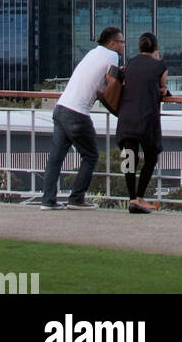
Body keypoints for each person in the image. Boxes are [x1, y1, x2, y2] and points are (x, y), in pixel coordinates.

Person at [40, 26, 126, 209]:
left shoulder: (93, 53)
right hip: (77, 113)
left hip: (61, 108)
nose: (123, 45)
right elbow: (110, 87)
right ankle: (76, 199)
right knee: (91, 155)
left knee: (55, 159)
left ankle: (48, 201)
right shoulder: (112, 56)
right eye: (121, 42)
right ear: (112, 43)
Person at [117, 31, 169, 213]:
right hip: (147, 119)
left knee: (129, 159)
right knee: (151, 157)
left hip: (127, 118)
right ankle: (139, 196)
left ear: (139, 47)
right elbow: (163, 86)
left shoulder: (129, 63)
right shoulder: (159, 65)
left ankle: (132, 198)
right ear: (156, 48)